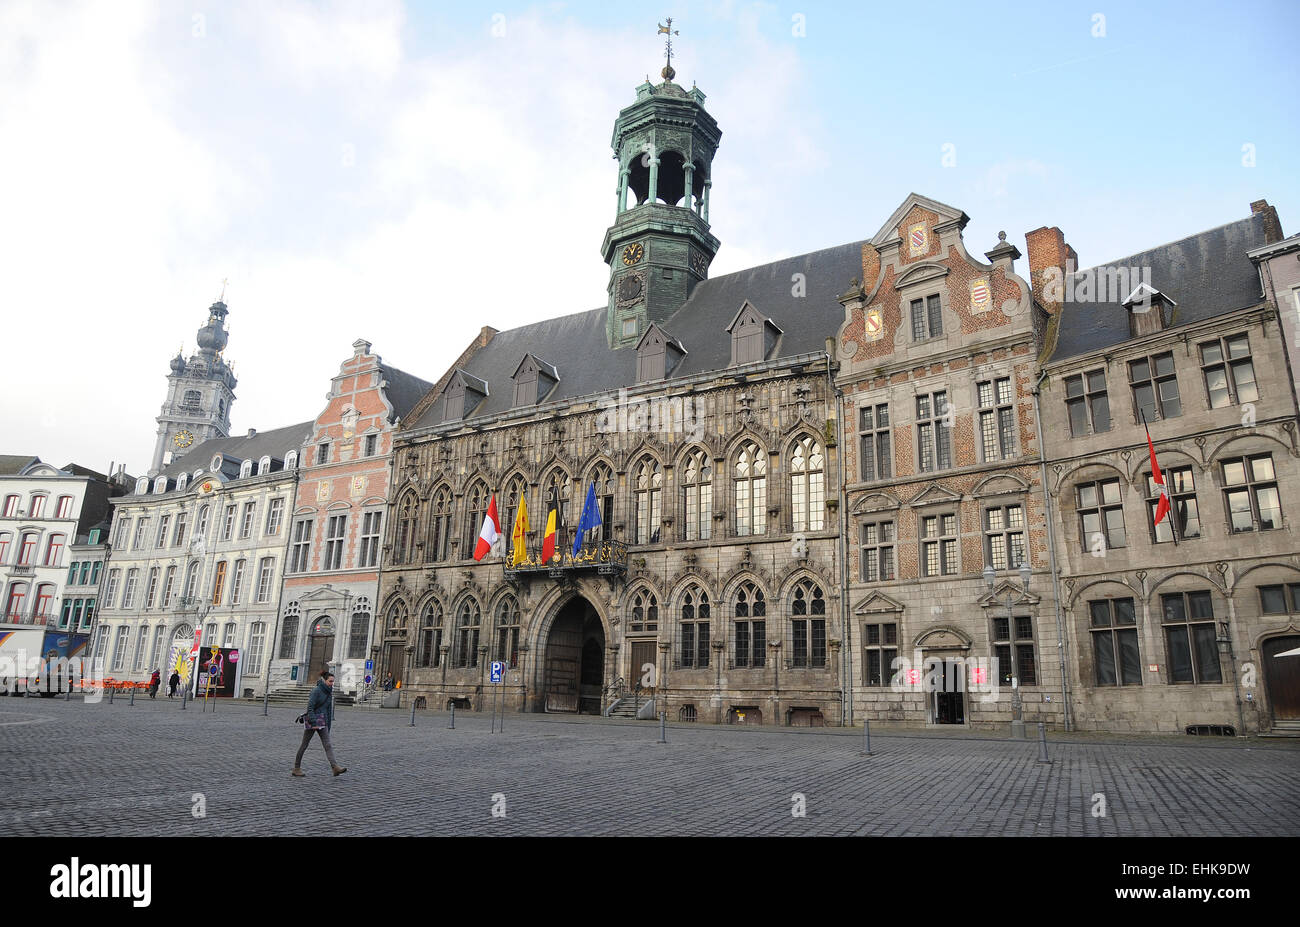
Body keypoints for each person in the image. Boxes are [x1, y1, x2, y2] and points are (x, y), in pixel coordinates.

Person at [293, 669, 347, 778]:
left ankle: (335, 767)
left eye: (333, 681)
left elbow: (328, 710)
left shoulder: (329, 692)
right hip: (313, 722)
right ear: (324, 681)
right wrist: (313, 722)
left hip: (323, 722)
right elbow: (310, 707)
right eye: (330, 681)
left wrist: (328, 725)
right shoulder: (316, 691)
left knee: (328, 745)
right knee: (304, 745)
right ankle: (296, 768)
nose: (332, 684)